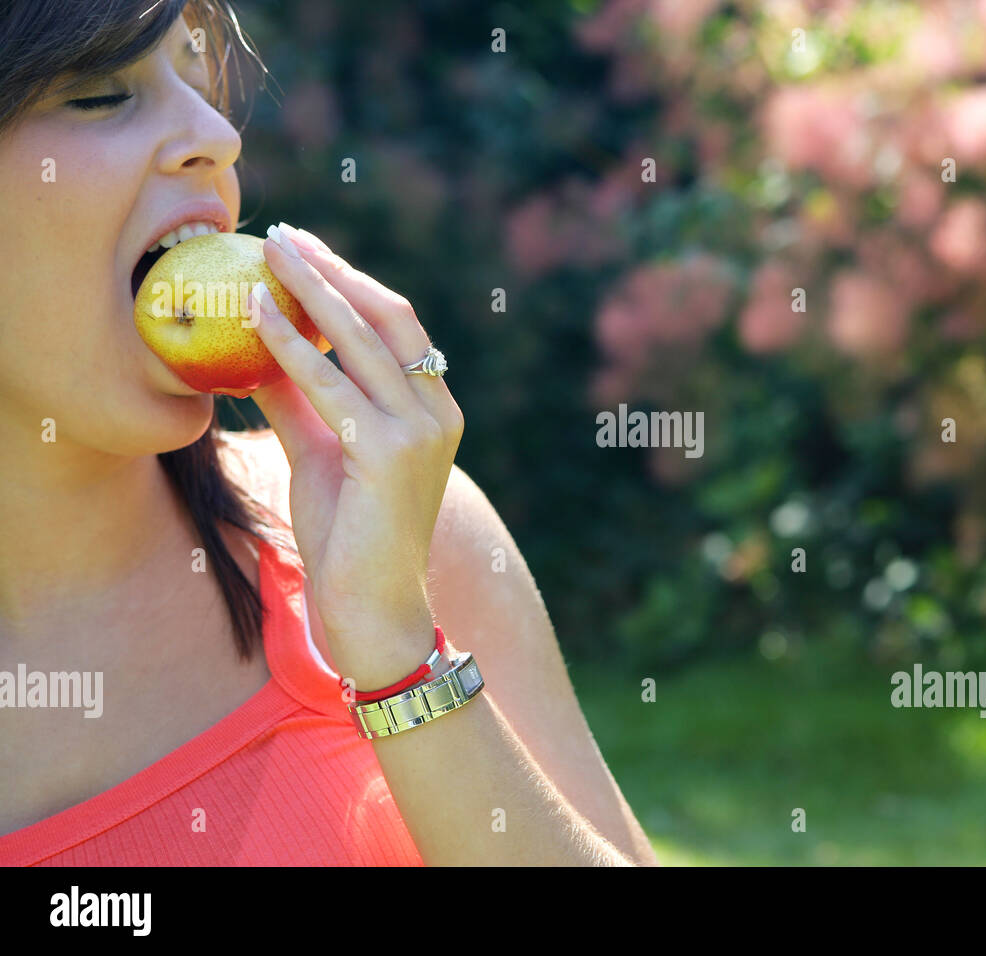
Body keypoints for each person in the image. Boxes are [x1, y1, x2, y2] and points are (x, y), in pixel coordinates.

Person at [0, 0, 657, 866]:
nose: (216, 135)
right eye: (99, 93)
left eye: (202, 86)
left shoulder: (395, 534)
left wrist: (396, 653)